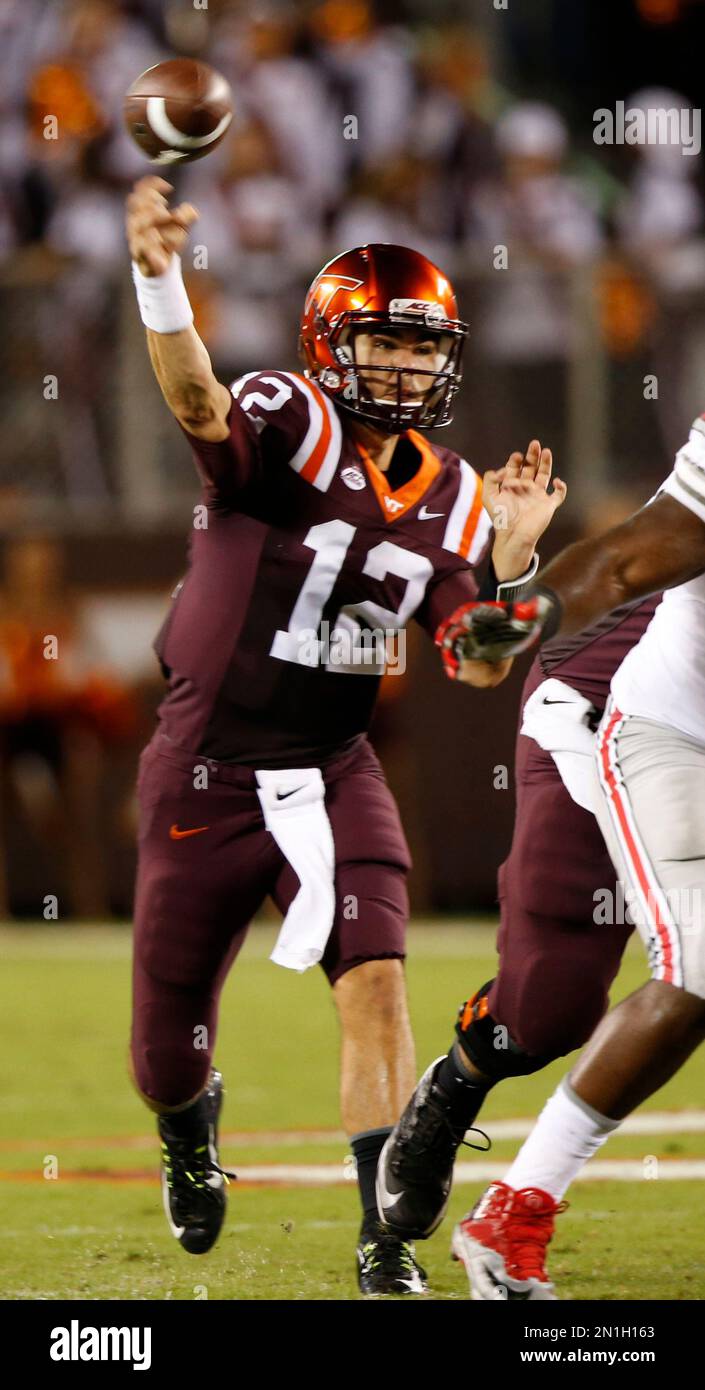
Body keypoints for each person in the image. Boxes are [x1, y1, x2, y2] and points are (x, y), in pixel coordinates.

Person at [124, 175, 564, 1295]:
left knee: (375, 984)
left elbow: (475, 658)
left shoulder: (459, 490)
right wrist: (158, 274)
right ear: (331, 343)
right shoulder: (286, 413)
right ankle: (191, 1129)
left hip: (330, 768)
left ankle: (384, 1242)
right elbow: (193, 403)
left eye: (425, 351)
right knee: (163, 1053)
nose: (410, 370)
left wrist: (510, 567)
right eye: (387, 345)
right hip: (207, 767)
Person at [381, 412, 705, 1298]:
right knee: (555, 1010)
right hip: (603, 716)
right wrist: (513, 589)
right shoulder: (656, 556)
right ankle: (460, 1089)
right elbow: (615, 568)